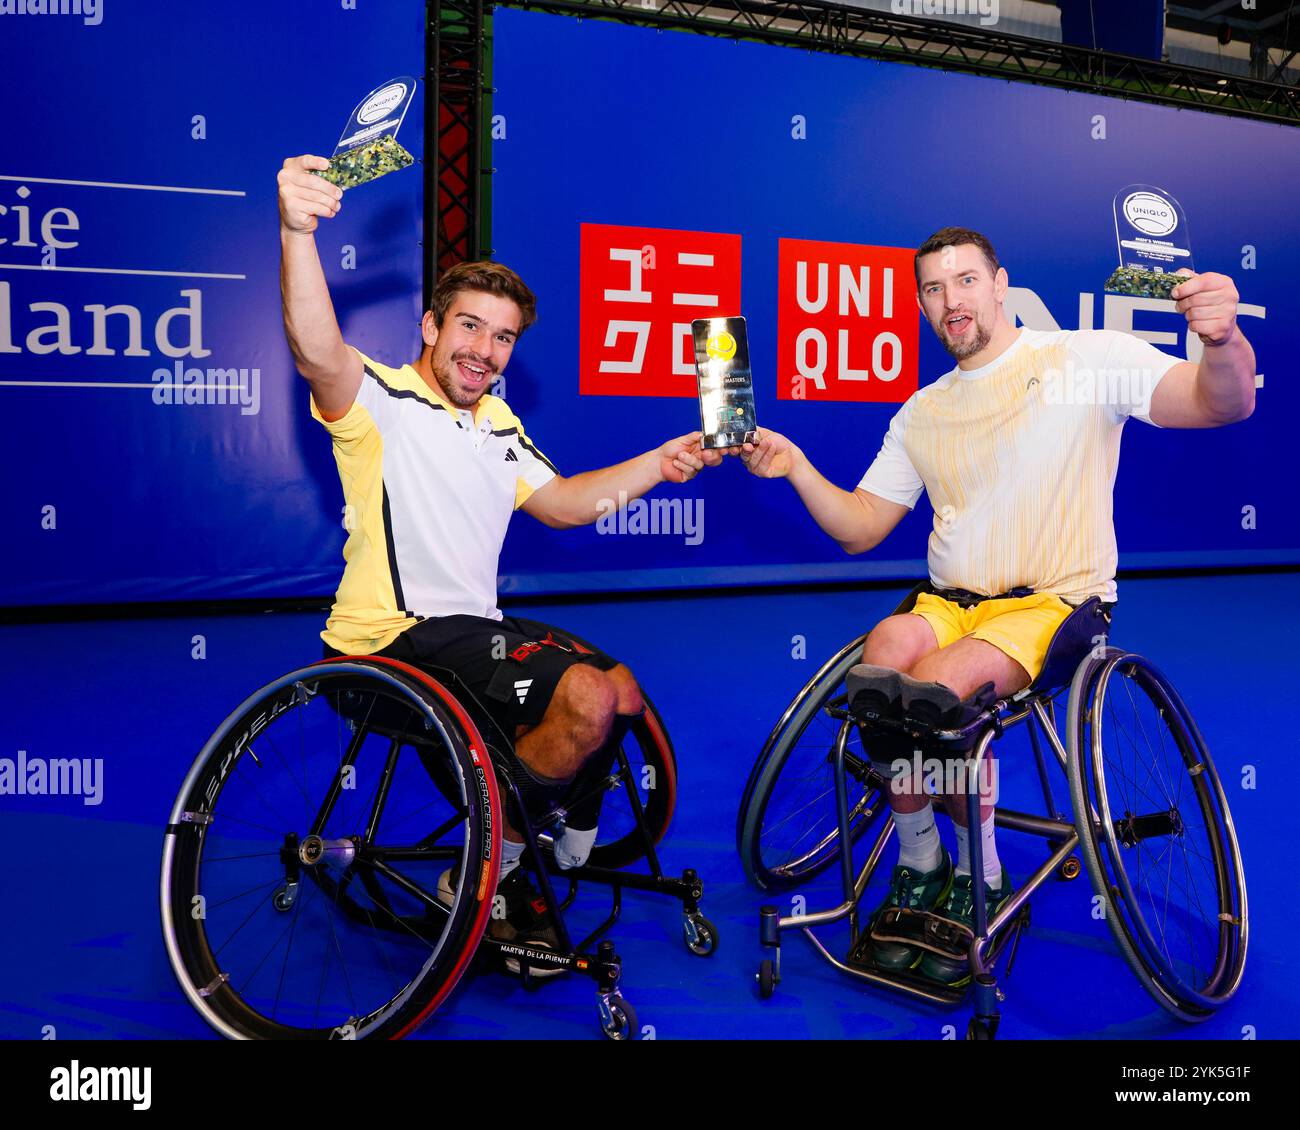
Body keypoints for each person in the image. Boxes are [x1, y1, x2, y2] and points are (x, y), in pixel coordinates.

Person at [731, 225, 1255, 984]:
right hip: (950, 601)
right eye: (934, 289)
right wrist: (798, 468)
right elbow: (860, 528)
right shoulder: (922, 411)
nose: (952, 301)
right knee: (883, 668)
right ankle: (920, 860)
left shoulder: (1081, 359)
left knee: (935, 689)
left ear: (1000, 283)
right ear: (920, 303)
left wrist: (1222, 340)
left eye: (966, 281)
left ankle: (985, 873)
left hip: (1055, 604)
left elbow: (1219, 404)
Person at [277, 153, 718, 959]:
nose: (485, 349)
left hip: (472, 634)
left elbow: (565, 505)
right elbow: (316, 348)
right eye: (470, 327)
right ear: (431, 327)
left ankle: (545, 844)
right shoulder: (379, 401)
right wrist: (297, 231)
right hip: (388, 643)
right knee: (585, 697)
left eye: (504, 336)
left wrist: (662, 462)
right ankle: (489, 871)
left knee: (618, 688)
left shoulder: (500, 425)